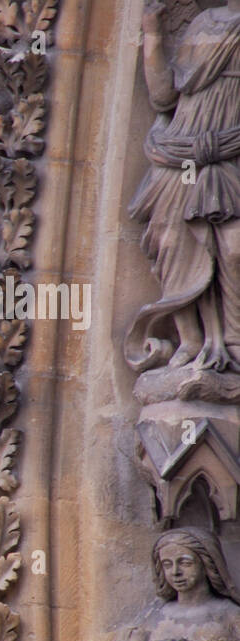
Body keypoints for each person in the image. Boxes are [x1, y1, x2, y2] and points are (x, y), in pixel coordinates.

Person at [125, 1, 240, 374]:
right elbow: (162, 96)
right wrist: (153, 35)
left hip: (226, 157)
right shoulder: (205, 22)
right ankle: (190, 339)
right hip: (182, 158)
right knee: (173, 240)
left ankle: (232, 342)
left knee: (233, 248)